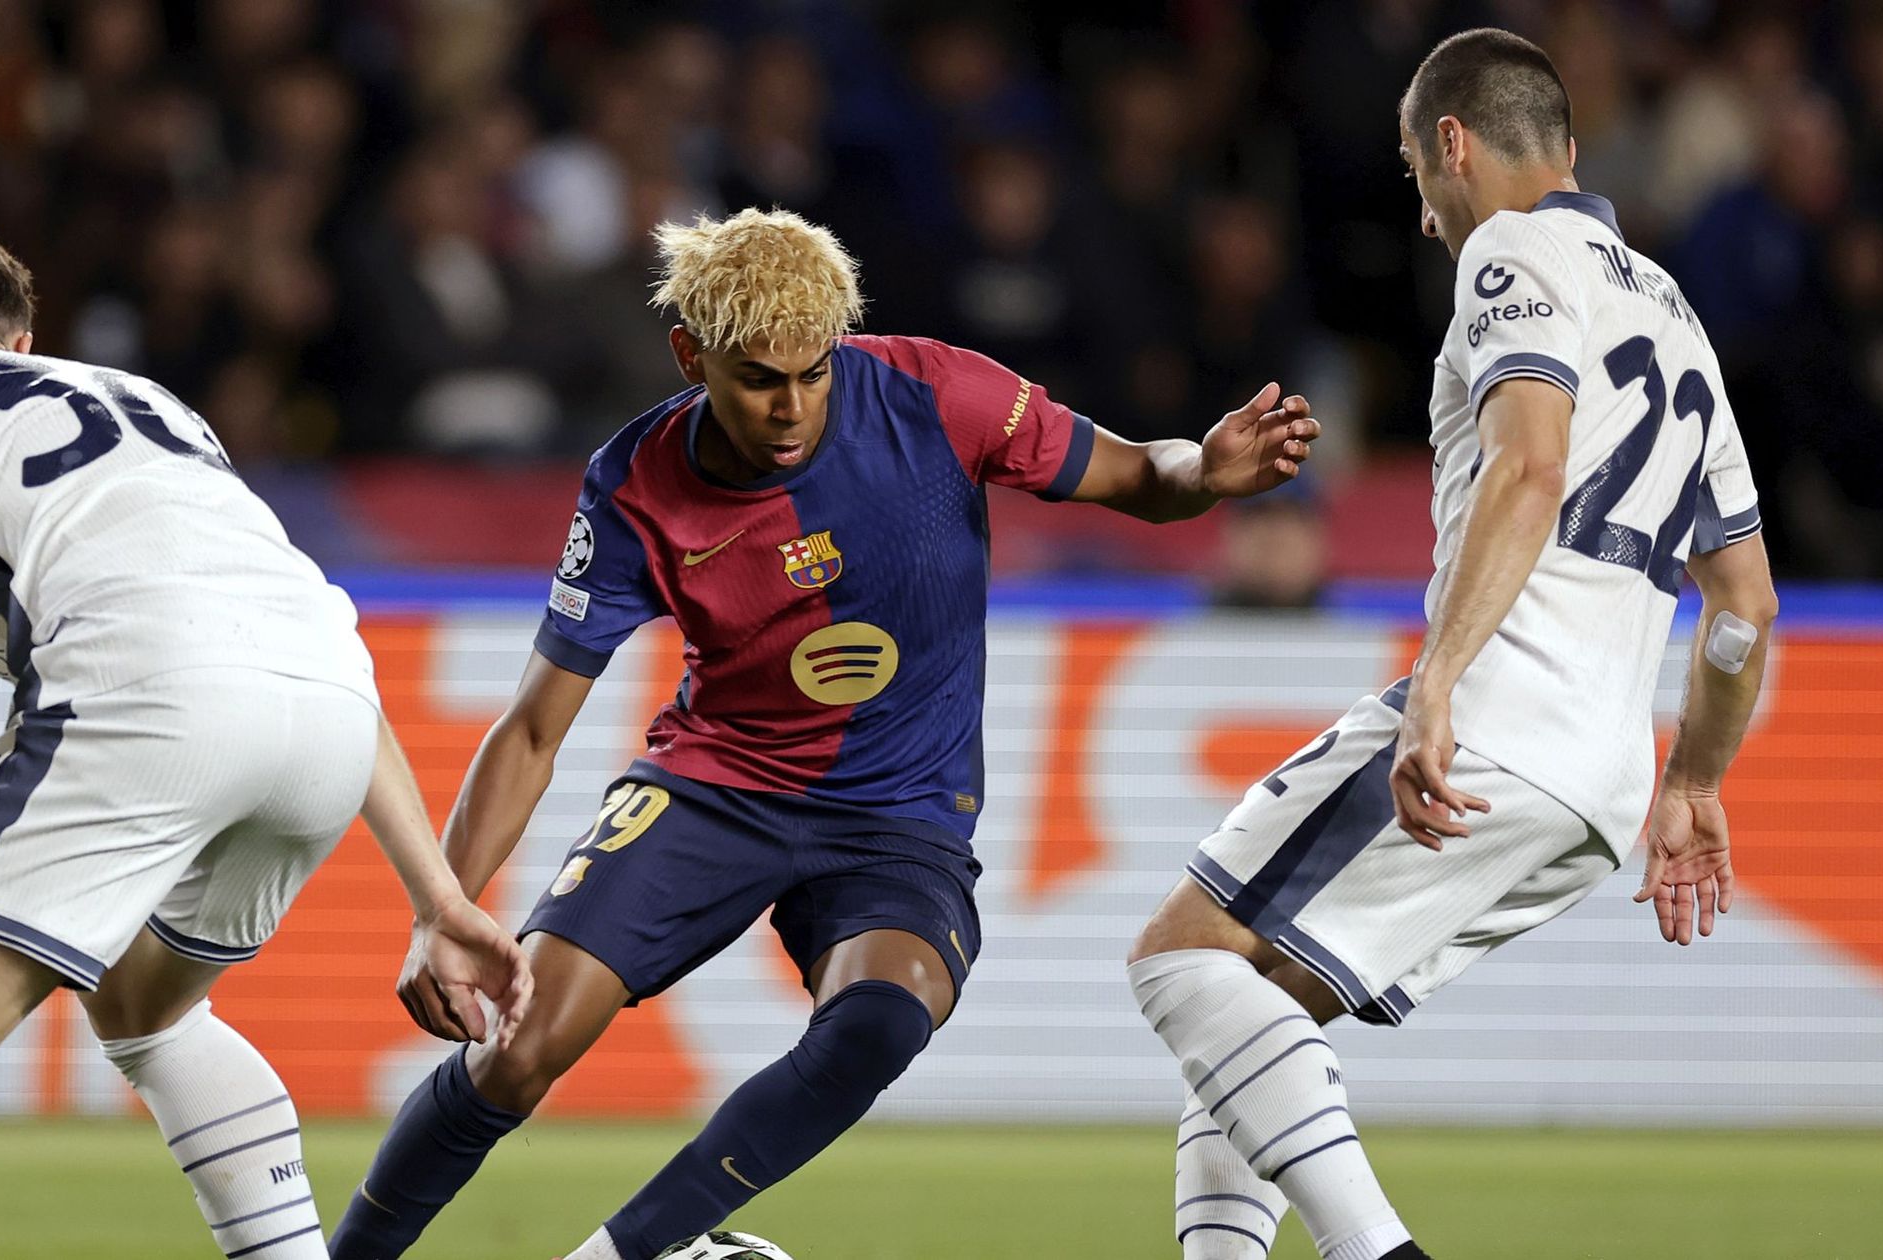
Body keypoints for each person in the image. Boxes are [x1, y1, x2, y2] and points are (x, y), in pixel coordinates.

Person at [327, 207, 1322, 1260]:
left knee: (885, 1020)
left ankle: (622, 1253)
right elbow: (531, 729)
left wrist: (1203, 471)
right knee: (519, 1048)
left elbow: (1136, 475)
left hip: (897, 818)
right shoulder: (634, 484)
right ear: (691, 355)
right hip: (714, 788)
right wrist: (444, 908)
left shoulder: (939, 396)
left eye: (815, 372)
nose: (793, 406)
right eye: (759, 379)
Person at [0, 221, 531, 1260]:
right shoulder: (153, 404)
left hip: (153, 691)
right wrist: (439, 899)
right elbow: (282, 632)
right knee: (143, 1008)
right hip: (331, 710)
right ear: (22, 342)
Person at [1124, 29, 1779, 1260]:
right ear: (1572, 150)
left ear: (1453, 145)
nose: (1424, 217)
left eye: (1421, 181)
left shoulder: (1506, 252)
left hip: (1497, 719)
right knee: (1254, 1016)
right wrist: (1693, 779)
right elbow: (1744, 600)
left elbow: (1530, 466)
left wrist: (1436, 688)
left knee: (1177, 961)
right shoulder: (1675, 311)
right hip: (1602, 782)